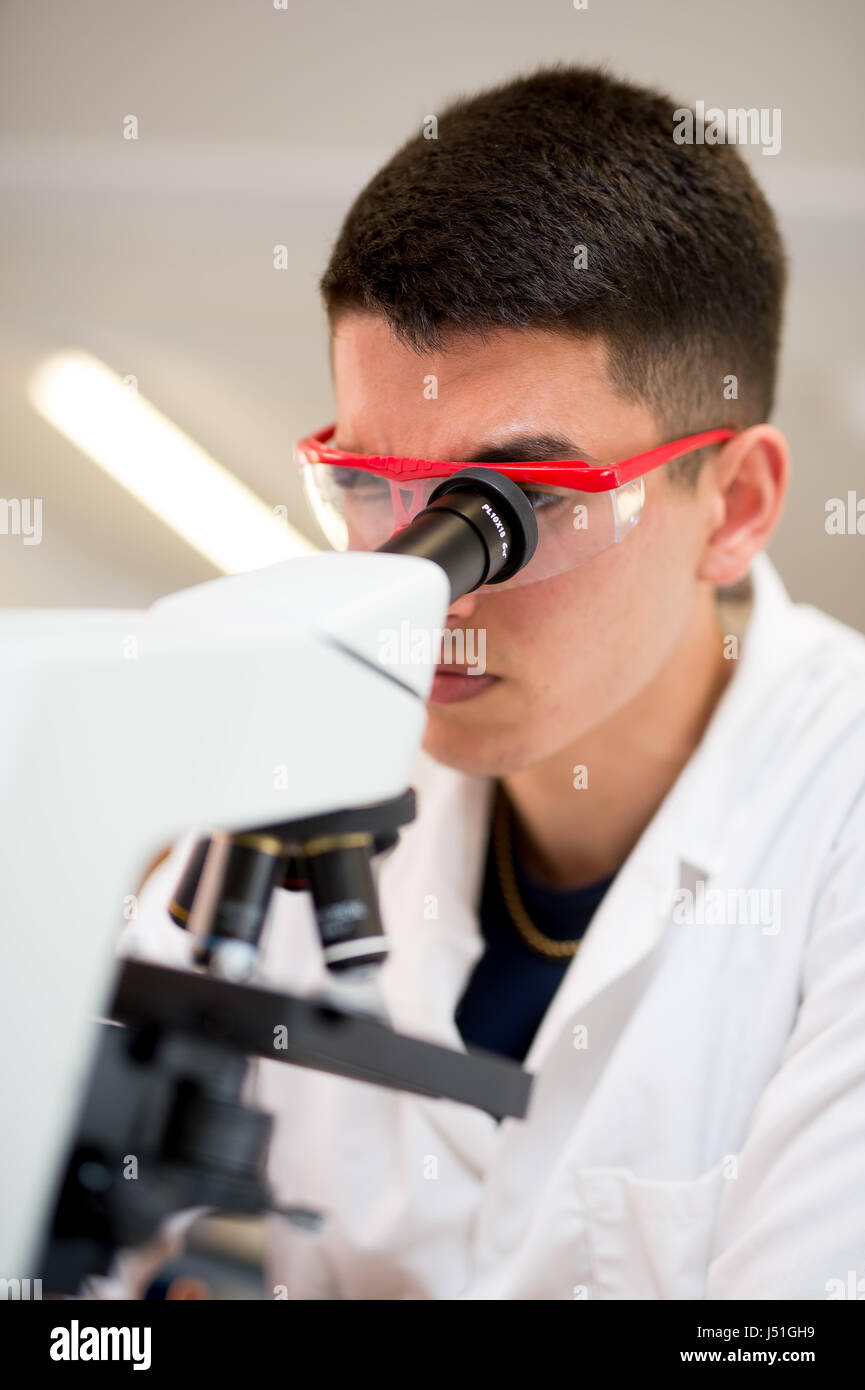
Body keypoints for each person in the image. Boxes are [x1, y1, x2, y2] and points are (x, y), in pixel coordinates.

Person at [130, 64, 865, 1299]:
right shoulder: (302, 755)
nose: (427, 596)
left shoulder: (840, 819)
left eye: (508, 510)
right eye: (369, 484)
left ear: (732, 506)